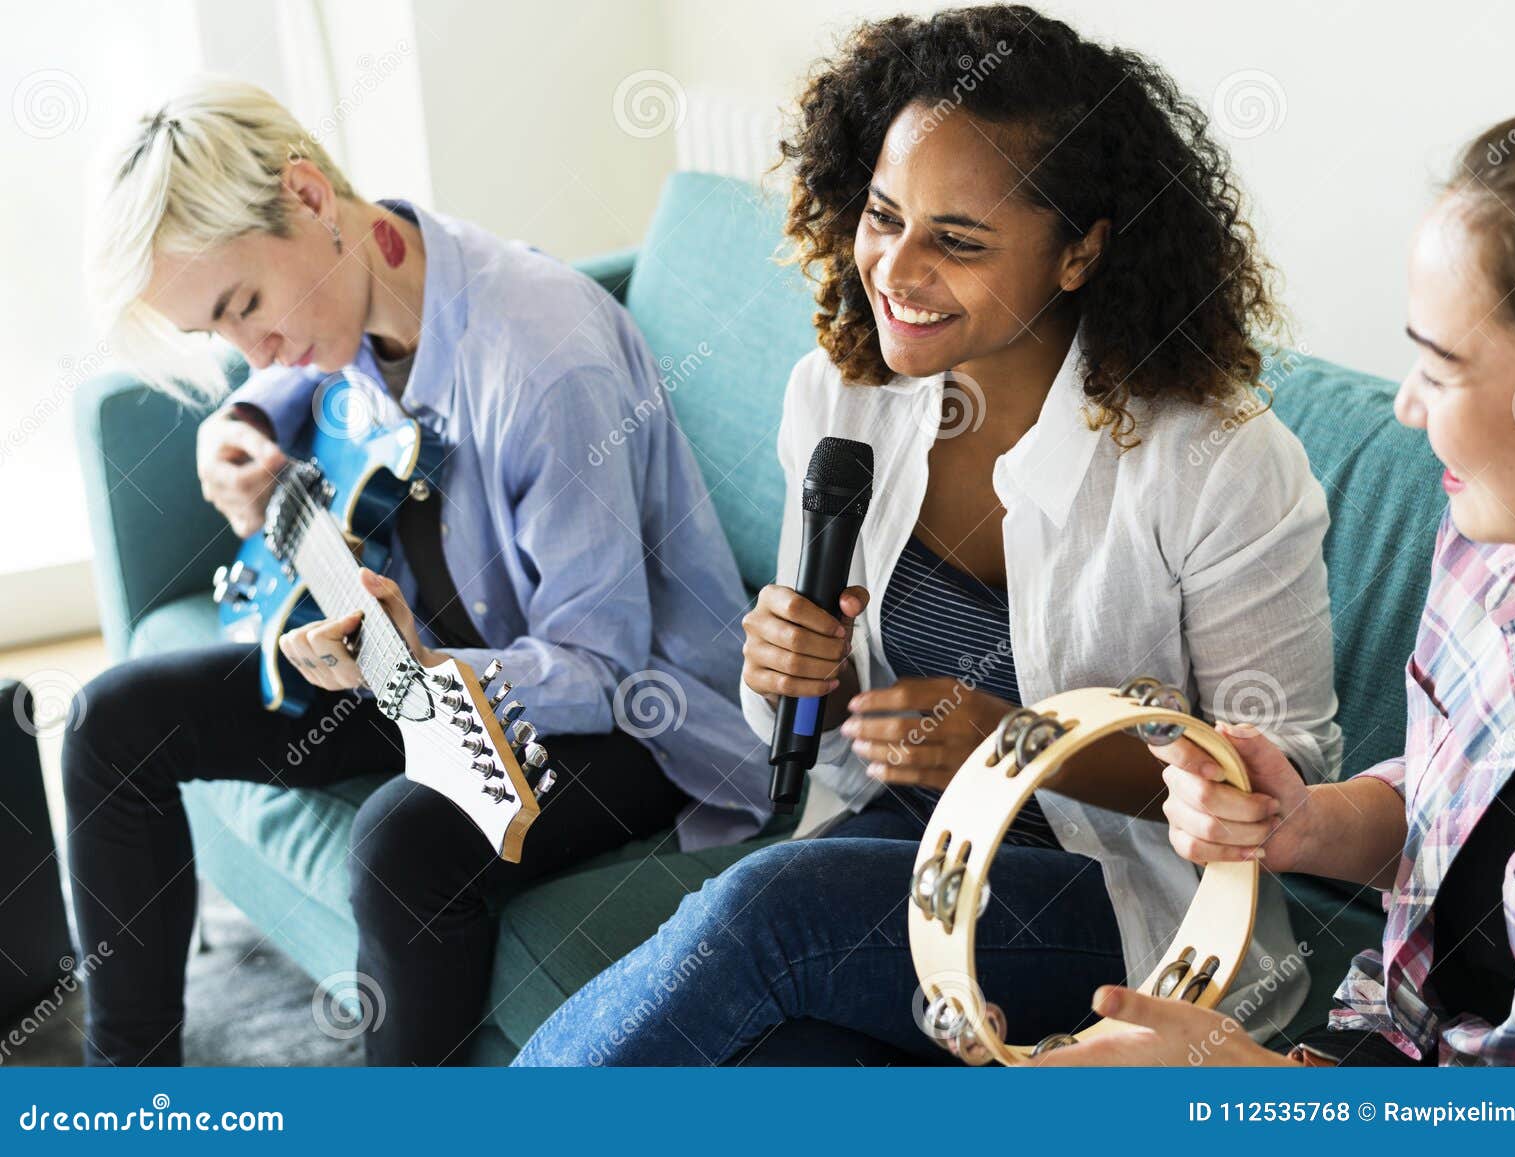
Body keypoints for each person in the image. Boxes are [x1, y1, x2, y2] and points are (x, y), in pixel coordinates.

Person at [516, 5, 1340, 1066]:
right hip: (910, 844)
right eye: (882, 215)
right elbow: (813, 709)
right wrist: (783, 665)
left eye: (956, 241)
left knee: (775, 906)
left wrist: (1017, 748)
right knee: (777, 1051)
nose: (895, 270)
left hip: (1130, 896)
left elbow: (1280, 780)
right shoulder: (844, 396)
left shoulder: (1217, 461)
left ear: (1078, 252)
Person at [69, 76, 766, 1066]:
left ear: (310, 197)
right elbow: (297, 351)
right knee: (112, 720)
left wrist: (418, 672)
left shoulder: (546, 362)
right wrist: (246, 416)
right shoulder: (358, 273)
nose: (249, 348)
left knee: (407, 838)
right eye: (217, 334)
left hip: (629, 710)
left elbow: (598, 668)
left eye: (244, 308)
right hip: (426, 659)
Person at [1034, 96, 1515, 1067]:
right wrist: (1308, 822)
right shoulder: (1496, 550)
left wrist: (1226, 1075)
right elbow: (1453, 824)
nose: (1405, 406)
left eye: (1441, 366)